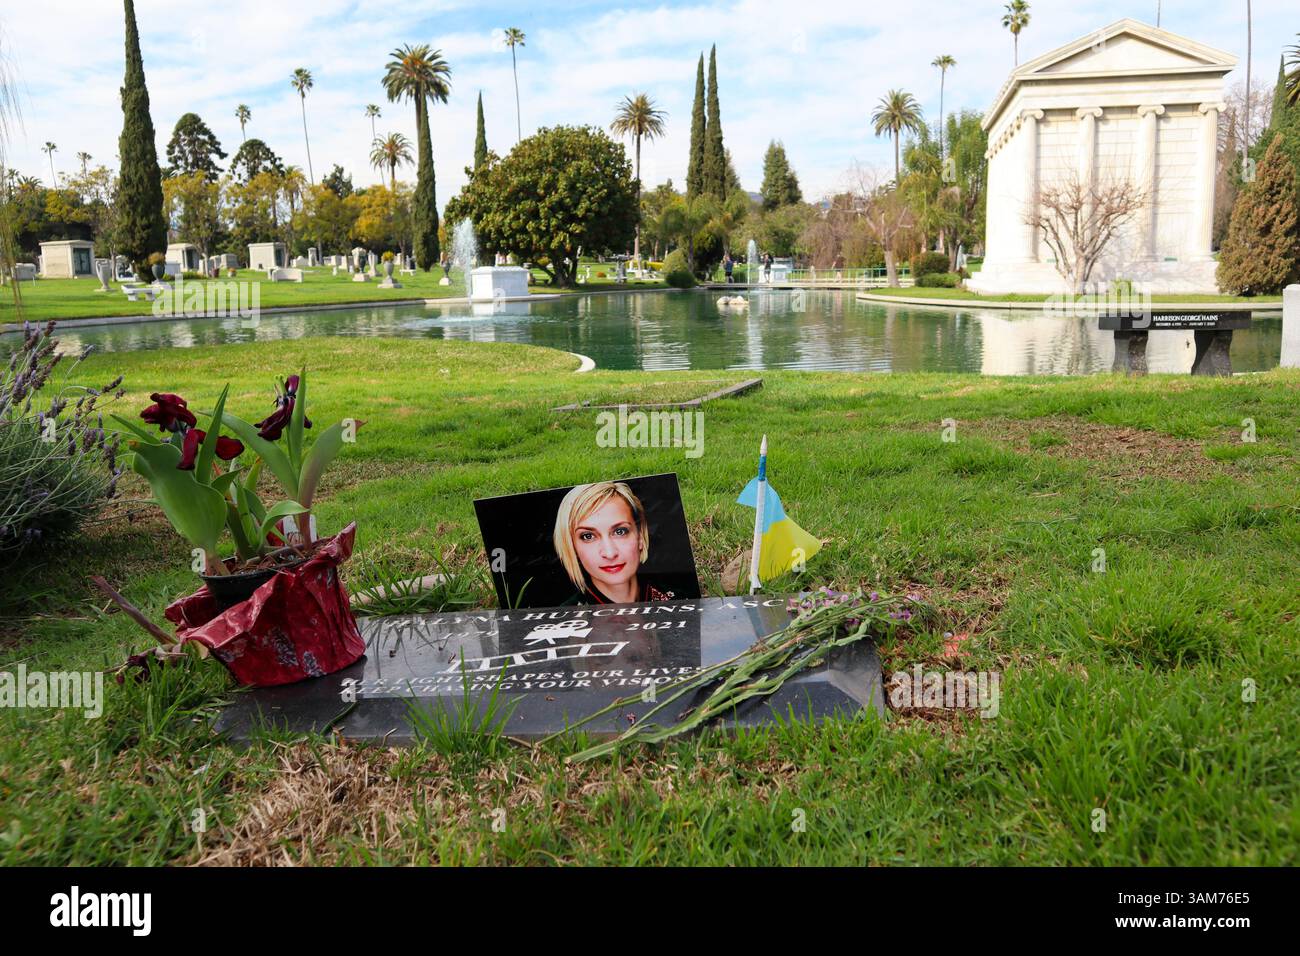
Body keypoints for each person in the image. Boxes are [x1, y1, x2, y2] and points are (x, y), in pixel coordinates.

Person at [552, 481, 677, 605]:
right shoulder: (562, 622)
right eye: (588, 536)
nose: (610, 553)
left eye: (620, 531)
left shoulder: (681, 599)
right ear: (572, 546)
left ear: (639, 535)